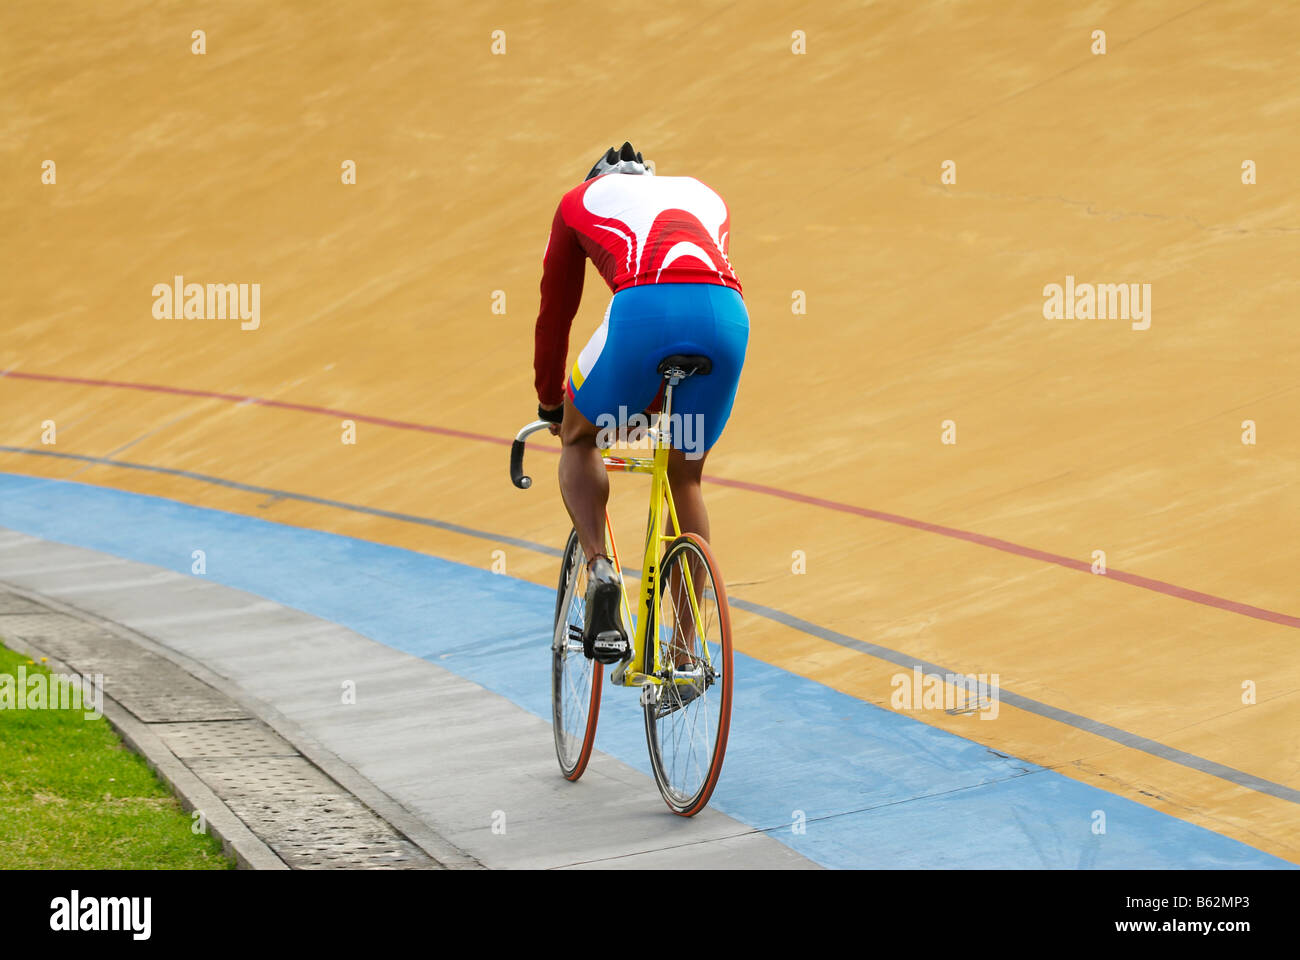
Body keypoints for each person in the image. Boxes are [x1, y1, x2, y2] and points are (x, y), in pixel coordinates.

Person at [532, 141, 749, 666]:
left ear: (595, 180)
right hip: (726, 319)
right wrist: (652, 407)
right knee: (686, 474)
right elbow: (693, 281)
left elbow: (555, 312)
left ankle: (600, 569)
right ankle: (685, 649)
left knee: (581, 438)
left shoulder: (575, 202)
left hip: (643, 313)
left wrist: (552, 407)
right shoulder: (703, 192)